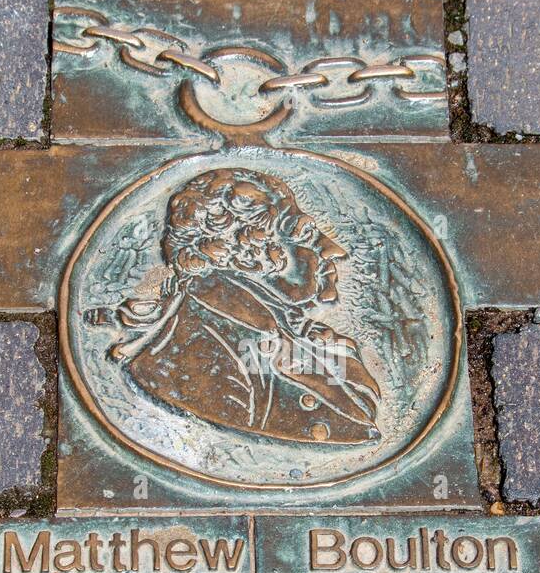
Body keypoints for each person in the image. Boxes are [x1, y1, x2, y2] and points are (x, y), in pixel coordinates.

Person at [97, 168, 381, 444]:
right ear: (251, 254)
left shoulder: (287, 328)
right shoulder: (198, 356)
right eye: (305, 234)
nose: (335, 250)